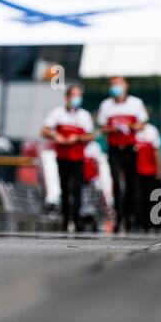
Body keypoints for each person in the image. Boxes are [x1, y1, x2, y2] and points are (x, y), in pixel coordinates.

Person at [97, 75, 149, 233]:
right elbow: (102, 127)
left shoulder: (136, 103)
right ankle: (118, 217)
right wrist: (113, 129)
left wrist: (131, 126)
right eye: (112, 84)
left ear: (126, 86)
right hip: (114, 149)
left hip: (130, 148)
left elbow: (143, 123)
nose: (115, 87)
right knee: (117, 183)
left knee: (131, 184)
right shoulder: (106, 105)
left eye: (118, 84)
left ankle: (129, 216)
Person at [42, 85, 95, 233]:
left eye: (79, 95)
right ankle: (65, 219)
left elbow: (90, 135)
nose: (77, 98)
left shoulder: (84, 116)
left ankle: (77, 219)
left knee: (77, 189)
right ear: (67, 97)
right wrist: (56, 136)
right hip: (62, 157)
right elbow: (45, 130)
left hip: (78, 158)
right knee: (65, 188)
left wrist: (77, 137)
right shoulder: (57, 113)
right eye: (74, 95)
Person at [132, 121, 161, 230]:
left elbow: (157, 151)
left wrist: (159, 169)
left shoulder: (152, 131)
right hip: (137, 171)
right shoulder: (133, 131)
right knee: (139, 198)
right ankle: (141, 222)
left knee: (152, 197)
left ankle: (154, 222)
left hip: (150, 171)